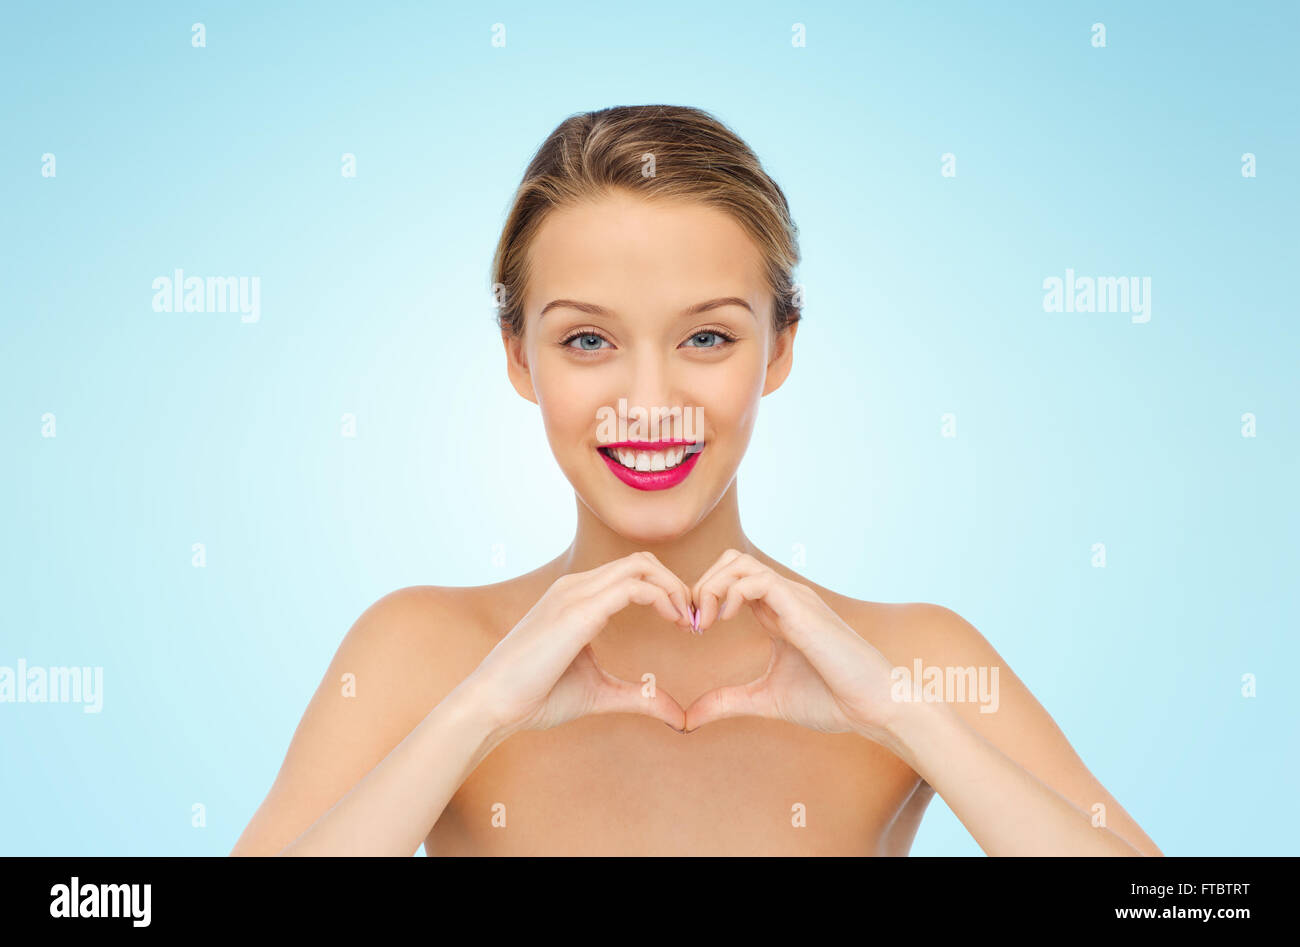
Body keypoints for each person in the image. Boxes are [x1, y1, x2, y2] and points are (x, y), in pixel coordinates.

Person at [231, 105, 1162, 856]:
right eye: (587, 340)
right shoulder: (421, 653)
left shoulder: (908, 656)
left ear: (780, 347)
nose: (649, 402)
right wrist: (476, 713)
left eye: (707, 336)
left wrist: (906, 719)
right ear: (519, 358)